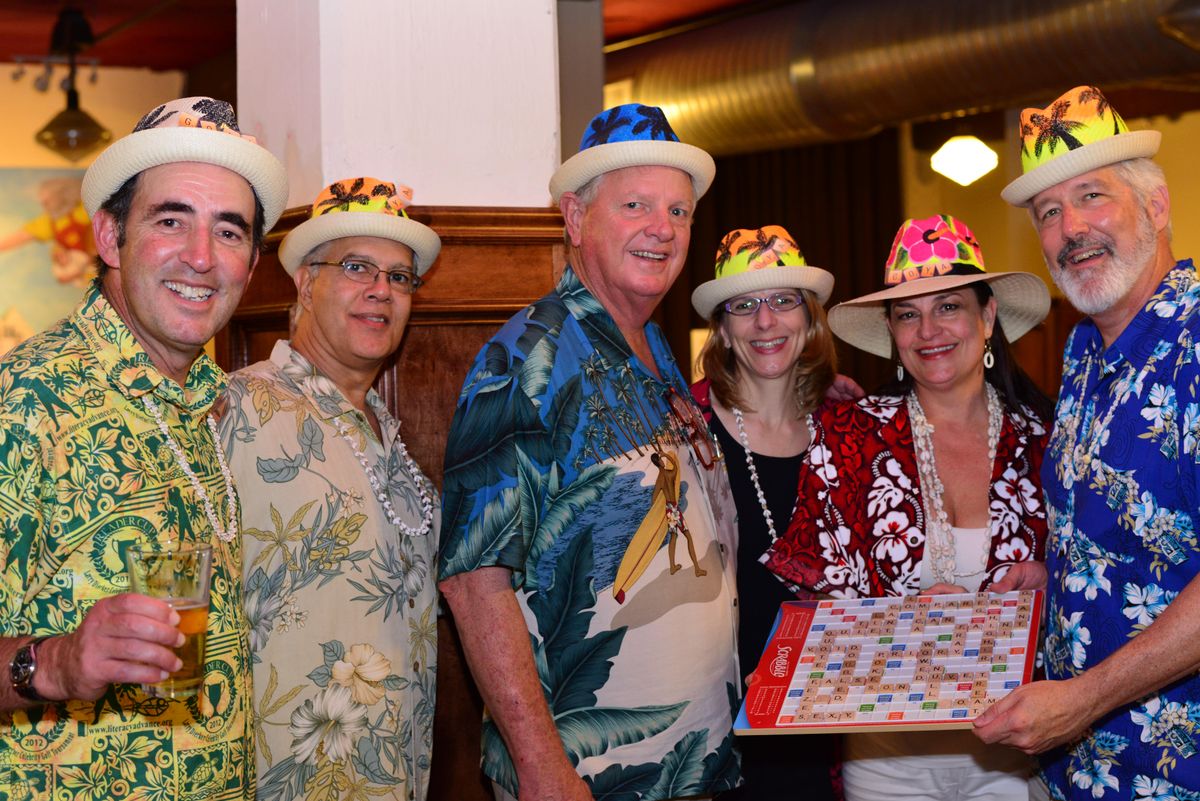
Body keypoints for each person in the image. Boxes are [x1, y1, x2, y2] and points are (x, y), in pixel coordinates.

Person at [438, 104, 742, 801]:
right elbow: (473, 579)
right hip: (590, 778)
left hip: (698, 762)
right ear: (575, 219)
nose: (662, 229)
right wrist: (542, 764)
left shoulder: (658, 349)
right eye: (635, 204)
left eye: (679, 211)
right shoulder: (525, 359)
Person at [0, 97, 288, 799]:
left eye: (229, 231)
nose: (200, 256)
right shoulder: (28, 402)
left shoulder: (201, 404)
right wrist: (59, 663)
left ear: (250, 265)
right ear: (108, 235)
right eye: (170, 220)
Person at [763, 214, 1053, 800]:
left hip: (1017, 750)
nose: (929, 331)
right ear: (892, 332)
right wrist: (908, 622)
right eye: (907, 314)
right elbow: (816, 593)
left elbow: (1094, 581)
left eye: (948, 306)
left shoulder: (1045, 441)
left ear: (987, 316)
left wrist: (1047, 581)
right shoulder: (847, 437)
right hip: (886, 757)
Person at [974, 85, 1200, 799]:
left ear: (1156, 206)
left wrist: (1087, 696)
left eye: (1093, 196)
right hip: (1080, 770)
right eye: (1048, 211)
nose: (1071, 227)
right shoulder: (1083, 351)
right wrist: (1063, 572)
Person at [220, 177, 441, 801]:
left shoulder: (388, 438)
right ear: (304, 282)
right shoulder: (240, 406)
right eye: (357, 267)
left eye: (400, 278)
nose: (381, 290)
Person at [688, 225, 839, 800]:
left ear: (809, 319)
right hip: (716, 724)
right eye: (744, 306)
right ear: (723, 330)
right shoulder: (683, 429)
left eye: (783, 301)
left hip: (824, 722)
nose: (766, 322)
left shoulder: (850, 427)